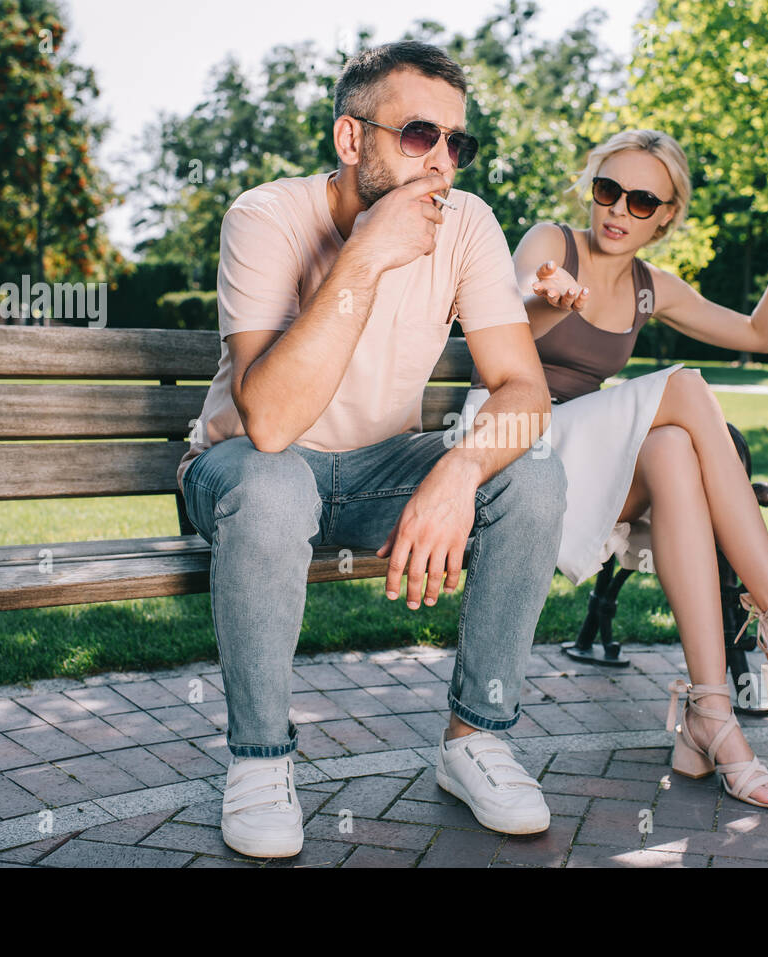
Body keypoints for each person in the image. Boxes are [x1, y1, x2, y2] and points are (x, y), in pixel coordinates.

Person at [178, 41, 568, 858]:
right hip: (243, 470)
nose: (443, 165)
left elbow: (524, 389)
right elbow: (272, 423)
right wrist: (366, 251)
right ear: (351, 140)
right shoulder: (265, 217)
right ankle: (259, 759)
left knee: (528, 471)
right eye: (420, 136)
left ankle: (476, 740)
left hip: (373, 473)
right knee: (276, 481)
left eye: (457, 143)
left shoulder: (468, 226)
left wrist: (459, 469)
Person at [460, 129, 768, 810]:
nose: (619, 210)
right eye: (608, 191)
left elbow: (761, 335)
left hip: (574, 463)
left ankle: (711, 714)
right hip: (508, 443)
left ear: (666, 216)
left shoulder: (649, 288)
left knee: (672, 449)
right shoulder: (554, 244)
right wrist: (548, 300)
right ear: (591, 188)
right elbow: (509, 320)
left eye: (643, 201)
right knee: (686, 389)